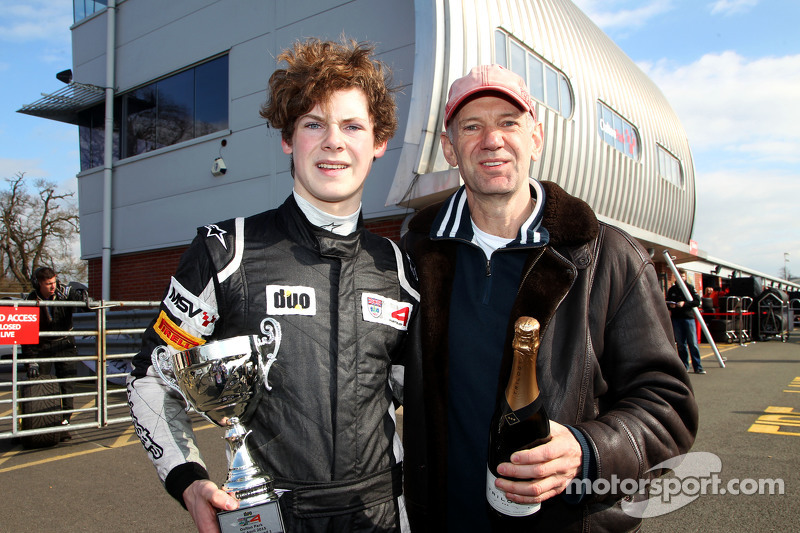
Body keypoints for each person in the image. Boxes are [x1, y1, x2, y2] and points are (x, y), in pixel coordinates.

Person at [127, 38, 419, 533]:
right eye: (313, 124)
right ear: (288, 138)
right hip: (268, 517)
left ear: (379, 141)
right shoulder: (226, 252)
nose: (333, 142)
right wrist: (188, 479)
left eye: (352, 126)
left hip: (384, 517)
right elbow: (151, 377)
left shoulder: (398, 266)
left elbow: (413, 388)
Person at [400, 65, 698, 532]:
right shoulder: (413, 255)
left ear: (536, 137)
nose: (492, 140)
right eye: (472, 126)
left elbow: (668, 406)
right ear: (448, 148)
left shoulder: (609, 256)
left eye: (508, 122)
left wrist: (588, 450)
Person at [23, 266, 88, 436]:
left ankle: (64, 423)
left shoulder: (63, 292)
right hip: (42, 346)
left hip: (65, 343)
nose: (52, 286)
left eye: (54, 282)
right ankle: (36, 425)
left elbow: (86, 305)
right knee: (38, 383)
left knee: (67, 384)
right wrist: (31, 361)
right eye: (48, 284)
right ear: (39, 284)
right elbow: (26, 333)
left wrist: (80, 295)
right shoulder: (31, 300)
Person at [667, 269, 706, 374]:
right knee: (680, 344)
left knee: (693, 343)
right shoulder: (672, 290)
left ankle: (698, 367)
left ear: (685, 277)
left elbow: (697, 301)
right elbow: (667, 302)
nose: (681, 278)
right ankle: (684, 367)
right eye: (679, 276)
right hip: (676, 319)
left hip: (688, 318)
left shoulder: (690, 288)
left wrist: (684, 304)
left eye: (683, 276)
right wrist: (671, 305)